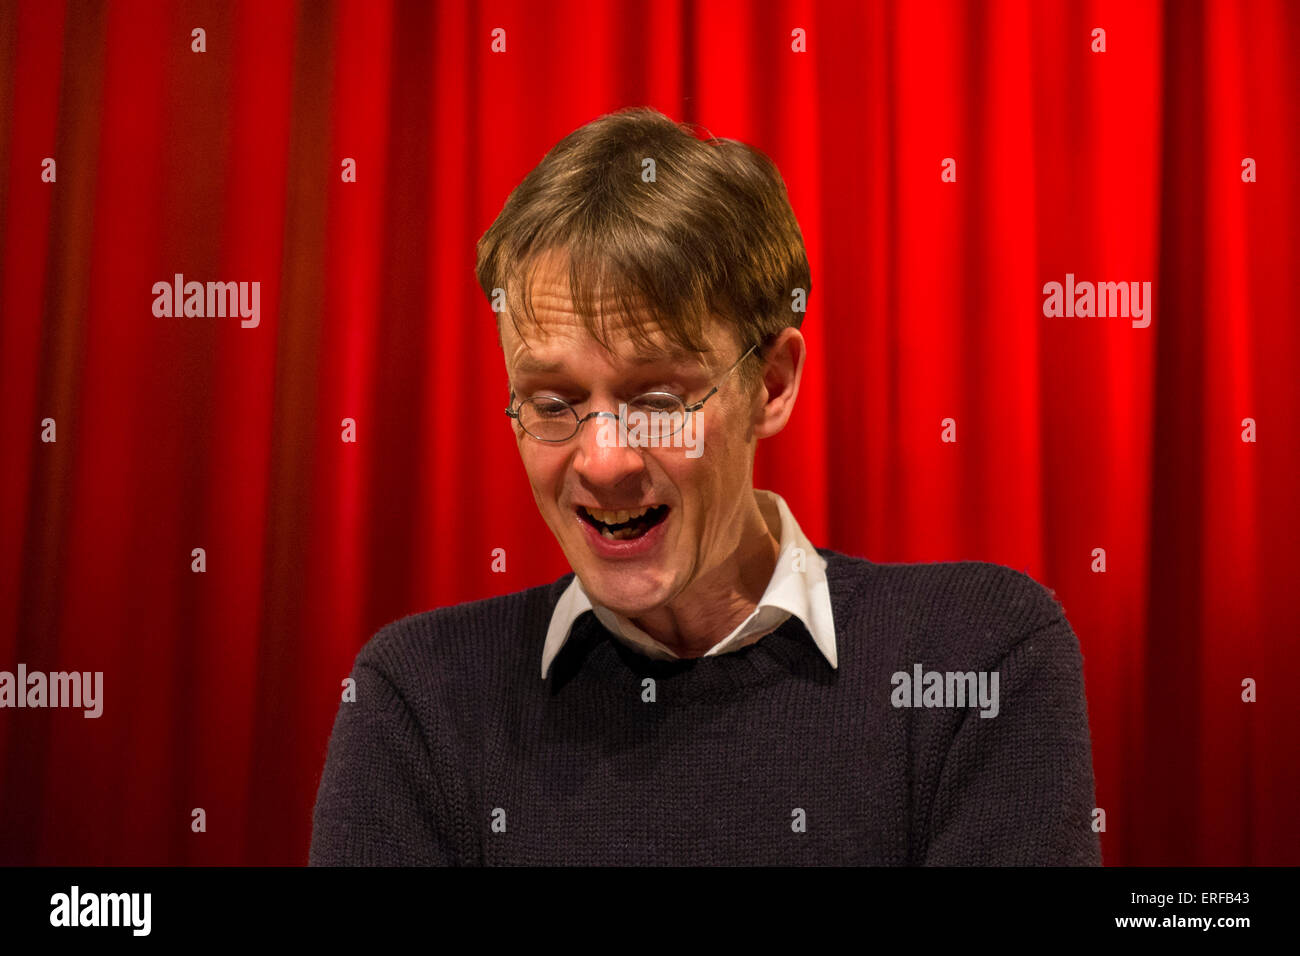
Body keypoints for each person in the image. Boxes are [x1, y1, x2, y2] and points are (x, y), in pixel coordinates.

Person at [308, 106, 1101, 866]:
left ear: (773, 383)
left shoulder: (979, 659)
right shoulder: (417, 700)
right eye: (555, 403)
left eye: (657, 401)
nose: (604, 461)